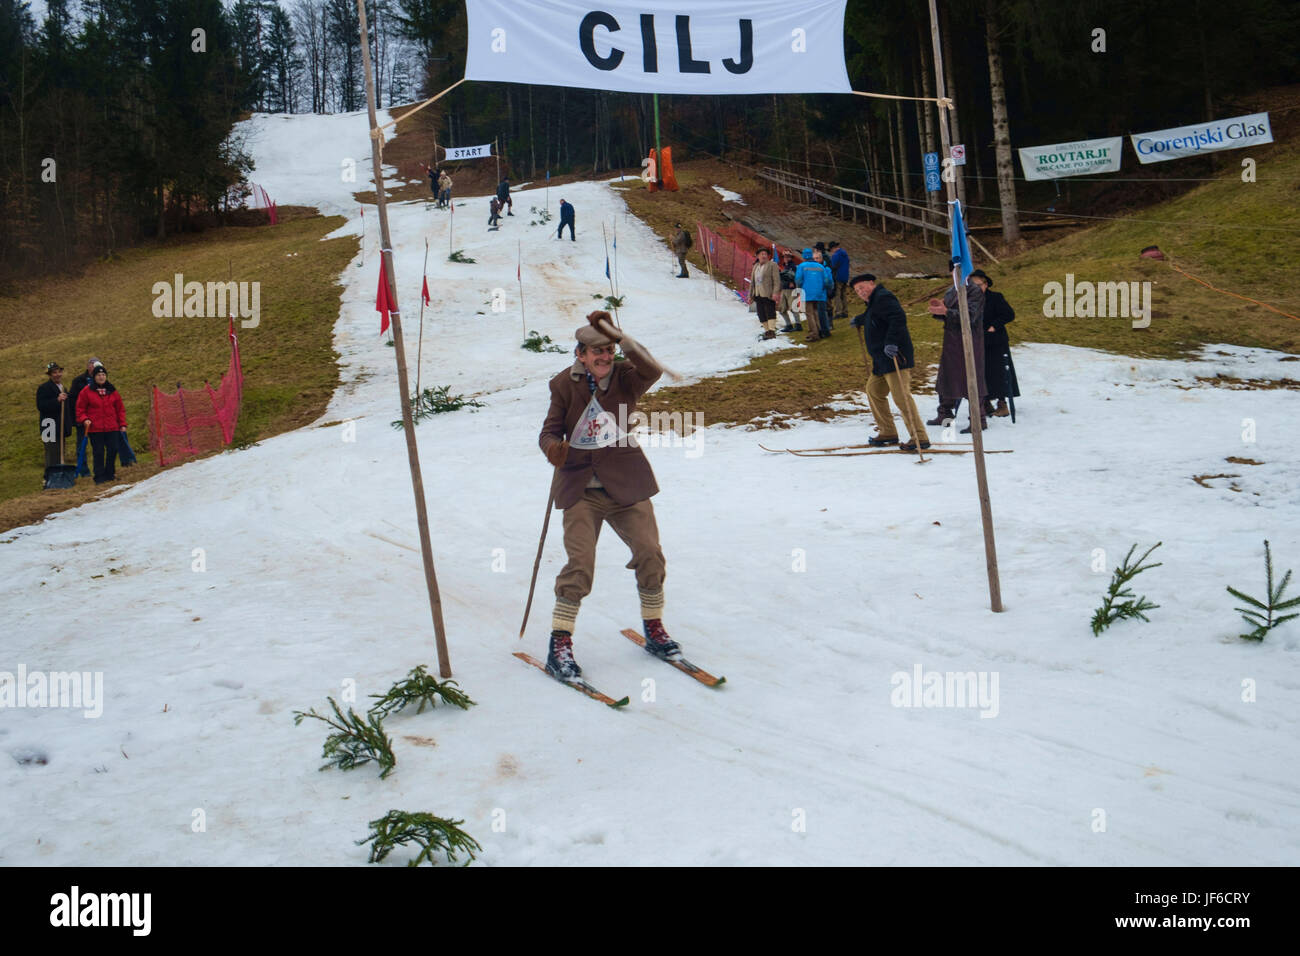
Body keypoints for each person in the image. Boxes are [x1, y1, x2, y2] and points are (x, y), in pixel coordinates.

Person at [537, 311, 679, 679]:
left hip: (626, 484)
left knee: (650, 553)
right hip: (581, 489)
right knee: (580, 566)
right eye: (596, 351)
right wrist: (555, 449)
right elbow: (548, 432)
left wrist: (619, 333)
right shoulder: (563, 385)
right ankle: (560, 645)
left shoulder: (628, 378)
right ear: (581, 354)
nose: (604, 356)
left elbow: (651, 366)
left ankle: (654, 629)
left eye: (609, 349)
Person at [850, 274, 929, 451]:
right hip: (881, 360)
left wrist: (892, 342)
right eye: (857, 291)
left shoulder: (883, 296)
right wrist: (860, 320)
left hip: (895, 356)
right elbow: (875, 316)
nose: (861, 292)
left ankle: (920, 438)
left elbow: (898, 318)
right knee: (874, 391)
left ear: (872, 283)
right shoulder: (874, 302)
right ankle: (888, 432)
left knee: (902, 398)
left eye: (862, 287)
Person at [927, 261, 988, 432]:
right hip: (951, 340)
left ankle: (979, 418)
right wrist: (939, 310)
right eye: (954, 271)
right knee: (946, 376)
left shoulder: (974, 291)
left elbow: (970, 316)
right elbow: (947, 314)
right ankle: (945, 413)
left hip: (970, 340)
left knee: (972, 377)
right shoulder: (951, 290)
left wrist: (946, 312)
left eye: (959, 270)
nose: (957, 274)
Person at [971, 269, 1018, 418]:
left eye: (979, 285)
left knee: (999, 371)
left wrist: (994, 326)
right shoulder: (970, 300)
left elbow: (1009, 314)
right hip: (979, 341)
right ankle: (985, 402)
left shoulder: (996, 298)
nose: (976, 288)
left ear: (986, 284)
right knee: (982, 371)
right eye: (973, 285)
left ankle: (1002, 403)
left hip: (996, 340)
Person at [75, 364, 127, 484]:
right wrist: (84, 419)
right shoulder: (86, 391)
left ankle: (110, 473)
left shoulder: (112, 390)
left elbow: (120, 408)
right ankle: (99, 476)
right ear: (94, 377)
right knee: (98, 452)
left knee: (113, 450)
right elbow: (80, 409)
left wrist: (122, 424)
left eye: (103, 375)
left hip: (112, 427)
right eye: (98, 375)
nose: (101, 377)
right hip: (95, 428)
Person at [68, 356, 101, 477]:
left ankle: (99, 469)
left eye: (97, 364)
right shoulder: (79, 381)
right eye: (92, 364)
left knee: (97, 445)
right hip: (82, 419)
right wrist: (76, 418)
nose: (94, 367)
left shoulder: (101, 380)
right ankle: (84, 471)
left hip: (97, 419)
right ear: (88, 366)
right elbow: (72, 400)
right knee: (81, 445)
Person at [36, 362, 72, 468]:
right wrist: (56, 400)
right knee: (52, 454)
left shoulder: (63, 388)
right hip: (49, 427)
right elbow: (41, 406)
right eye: (54, 373)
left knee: (60, 452)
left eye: (59, 372)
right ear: (50, 375)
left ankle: (59, 477)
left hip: (60, 426)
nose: (57, 374)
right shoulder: (44, 388)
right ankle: (50, 478)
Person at [795, 247, 832, 342]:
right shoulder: (820, 267)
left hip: (807, 292)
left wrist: (799, 288)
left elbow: (798, 279)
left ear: (803, 256)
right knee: (816, 312)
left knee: (809, 313)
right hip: (819, 293)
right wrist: (824, 288)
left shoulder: (801, 266)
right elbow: (827, 280)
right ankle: (819, 330)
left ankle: (814, 334)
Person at [750, 248, 780, 340]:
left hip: (768, 292)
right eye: (761, 254)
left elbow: (776, 280)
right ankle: (767, 331)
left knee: (770, 311)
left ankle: (772, 330)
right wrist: (750, 295)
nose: (763, 256)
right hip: (758, 293)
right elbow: (752, 282)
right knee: (761, 313)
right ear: (758, 256)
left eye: (765, 254)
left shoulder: (772, 265)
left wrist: (775, 292)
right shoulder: (755, 266)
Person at [777, 253, 801, 332]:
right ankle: (789, 325)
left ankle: (798, 325)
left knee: (793, 308)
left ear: (791, 258)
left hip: (791, 289)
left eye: (788, 257)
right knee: (781, 309)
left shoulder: (793, 266)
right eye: (784, 257)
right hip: (784, 289)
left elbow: (790, 276)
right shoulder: (785, 267)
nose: (785, 258)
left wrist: (780, 273)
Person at [828, 241, 850, 319]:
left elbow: (833, 266)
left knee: (837, 295)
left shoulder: (836, 255)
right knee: (843, 294)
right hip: (845, 277)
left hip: (838, 277)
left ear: (833, 248)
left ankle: (838, 312)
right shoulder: (845, 254)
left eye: (831, 250)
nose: (831, 252)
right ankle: (845, 311)